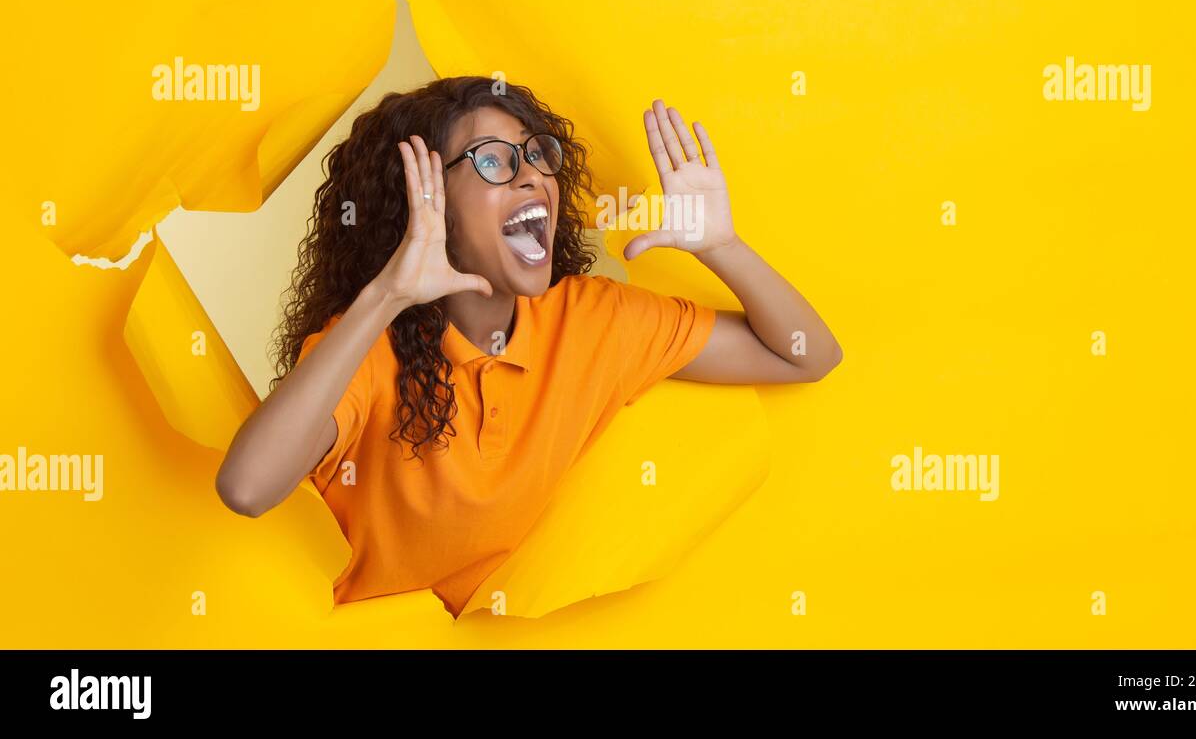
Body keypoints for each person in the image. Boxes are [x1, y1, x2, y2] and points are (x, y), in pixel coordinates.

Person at [216, 75, 841, 617]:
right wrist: (386, 295)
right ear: (426, 202)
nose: (533, 178)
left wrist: (720, 247)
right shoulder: (366, 351)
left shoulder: (592, 322)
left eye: (538, 155)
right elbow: (246, 489)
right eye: (493, 161)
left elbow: (805, 354)